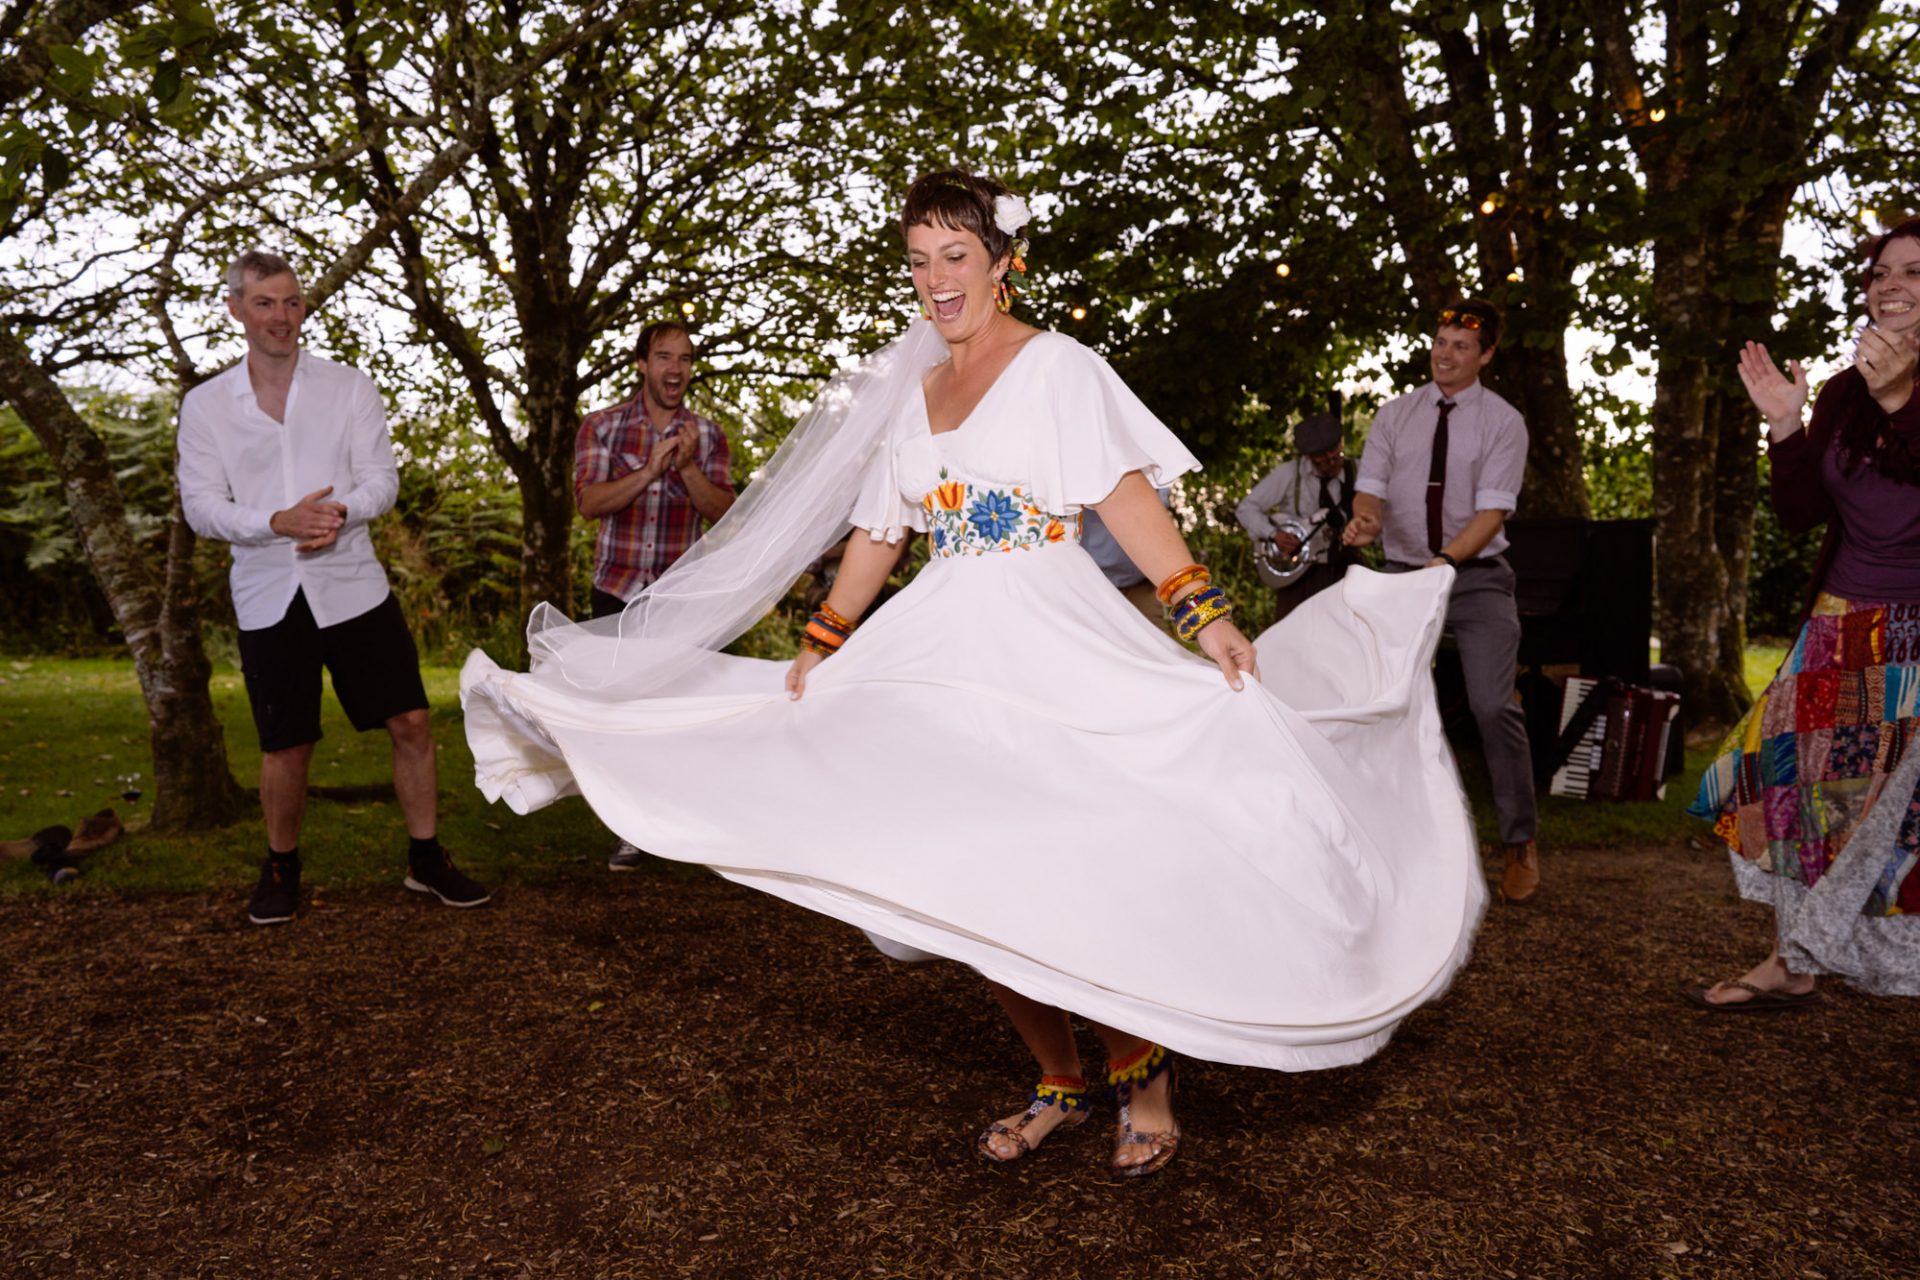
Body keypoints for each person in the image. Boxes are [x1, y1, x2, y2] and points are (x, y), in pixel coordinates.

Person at [462, 170, 1484, 1179]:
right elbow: (877, 531)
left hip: (1050, 624)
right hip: (942, 636)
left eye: (957, 255)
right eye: (919, 261)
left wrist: (1201, 609)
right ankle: (1058, 1077)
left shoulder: (1059, 369)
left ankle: (1145, 1078)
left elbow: (1125, 496)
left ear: (1002, 261)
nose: (937, 277)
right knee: (962, 867)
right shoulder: (912, 394)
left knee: (1081, 851)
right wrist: (823, 641)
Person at [177, 250, 488, 925]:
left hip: (353, 584)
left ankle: (426, 859)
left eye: (291, 302)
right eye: (264, 303)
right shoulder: (206, 406)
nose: (281, 317)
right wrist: (276, 522)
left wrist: (340, 513)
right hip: (267, 593)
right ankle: (281, 867)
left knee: (409, 720)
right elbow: (200, 508)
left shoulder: (349, 387)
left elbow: (381, 479)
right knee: (287, 742)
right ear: (235, 309)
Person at [1687, 217, 1920, 1010]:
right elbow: (1798, 513)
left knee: (1891, 812)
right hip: (1838, 622)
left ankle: (1853, 955)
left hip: (1915, 636)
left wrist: (1902, 401)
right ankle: (1794, 958)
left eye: (1913, 272)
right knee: (1788, 784)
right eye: (1879, 273)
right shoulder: (1845, 390)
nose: (1890, 284)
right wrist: (1785, 425)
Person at [1343, 299, 1540, 903]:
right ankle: (1386, 843)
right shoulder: (1396, 415)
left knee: (1489, 705)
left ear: (1485, 356)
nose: (1445, 353)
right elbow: (1369, 495)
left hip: (1474, 578)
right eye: (1441, 341)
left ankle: (1519, 842)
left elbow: (1492, 513)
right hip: (1403, 575)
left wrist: (1447, 563)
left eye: (1461, 346)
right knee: (1384, 703)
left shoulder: (1503, 422)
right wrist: (1367, 523)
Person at [573, 320, 736, 869]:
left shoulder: (708, 435)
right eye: (664, 357)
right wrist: (648, 471)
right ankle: (630, 829)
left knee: (678, 716)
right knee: (622, 715)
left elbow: (727, 514)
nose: (675, 369)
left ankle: (681, 828)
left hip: (679, 599)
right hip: (617, 591)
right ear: (641, 364)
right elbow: (590, 503)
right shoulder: (602, 427)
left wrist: (685, 466)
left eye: (685, 359)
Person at [1237, 412, 1355, 622]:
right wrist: (1273, 534)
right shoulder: (1289, 473)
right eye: (1322, 456)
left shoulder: (1359, 471)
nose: (1331, 459)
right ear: (1309, 456)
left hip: (1347, 568)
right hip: (1300, 577)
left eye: (1334, 452)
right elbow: (1246, 508)